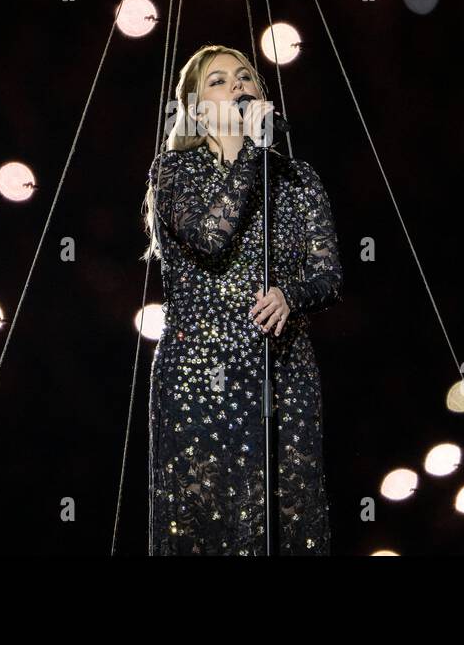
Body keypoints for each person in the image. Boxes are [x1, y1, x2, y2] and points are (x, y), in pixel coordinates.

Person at [140, 44, 342, 555]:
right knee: (206, 524)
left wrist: (290, 295)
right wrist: (252, 149)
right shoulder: (172, 172)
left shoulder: (297, 181)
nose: (237, 85)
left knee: (281, 521)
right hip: (199, 378)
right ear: (194, 107)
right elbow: (212, 235)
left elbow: (329, 277)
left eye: (245, 76)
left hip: (281, 373)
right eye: (218, 80)